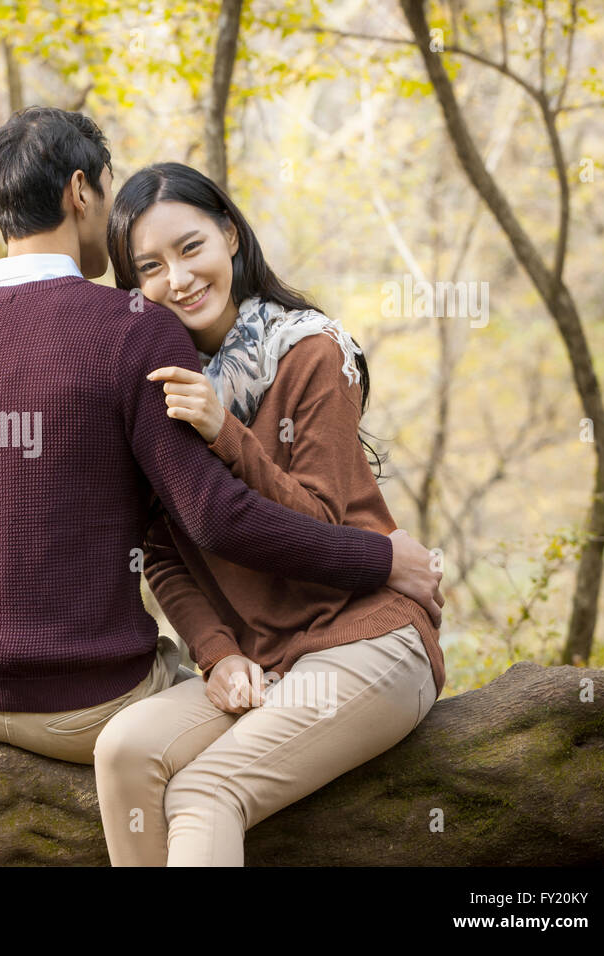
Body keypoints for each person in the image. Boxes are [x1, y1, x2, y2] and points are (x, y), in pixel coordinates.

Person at [0, 107, 443, 766]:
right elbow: (213, 519)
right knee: (207, 748)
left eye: (189, 250)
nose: (170, 279)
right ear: (79, 192)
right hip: (85, 704)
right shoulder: (132, 328)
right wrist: (382, 559)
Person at [92, 161, 446, 865]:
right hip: (263, 660)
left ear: (229, 234)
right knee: (123, 749)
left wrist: (226, 431)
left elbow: (316, 519)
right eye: (150, 268)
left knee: (204, 792)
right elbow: (160, 549)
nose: (179, 279)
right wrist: (216, 654)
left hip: (364, 640)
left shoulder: (312, 352)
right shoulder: (157, 386)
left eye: (191, 248)